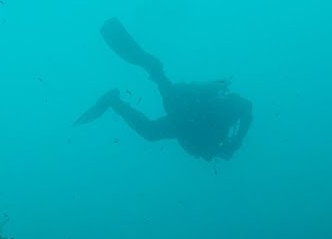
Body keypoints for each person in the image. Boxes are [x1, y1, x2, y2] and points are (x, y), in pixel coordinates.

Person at [74, 17, 253, 161]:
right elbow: (246, 106)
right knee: (166, 92)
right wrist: (237, 141)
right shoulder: (225, 115)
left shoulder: (210, 140)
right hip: (187, 103)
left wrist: (231, 144)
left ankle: (116, 99)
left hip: (181, 118)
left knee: (151, 130)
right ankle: (152, 71)